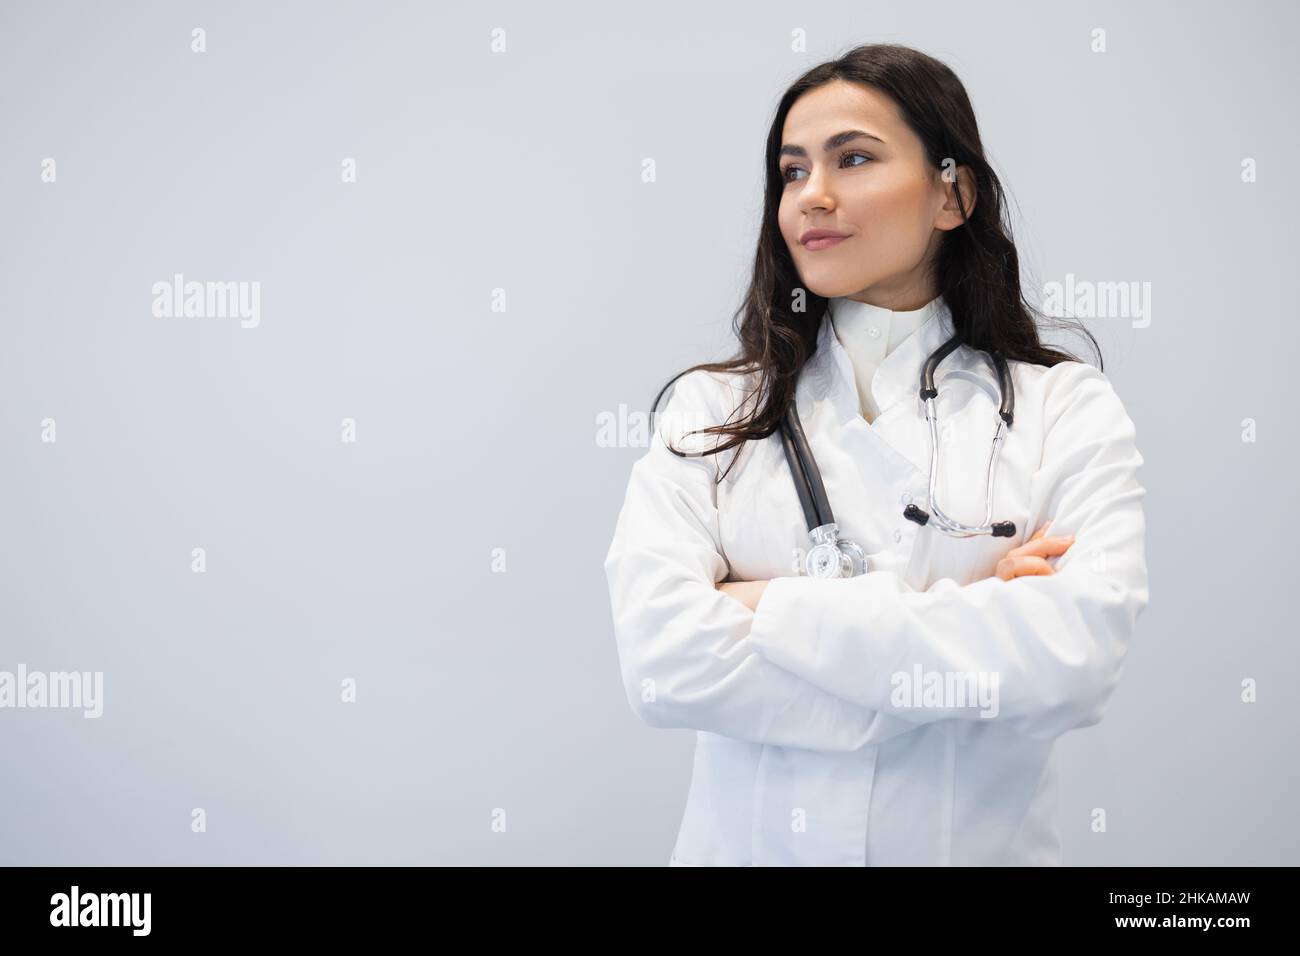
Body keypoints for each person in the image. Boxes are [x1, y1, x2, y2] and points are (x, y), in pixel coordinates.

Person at [602, 43, 1149, 866]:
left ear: (952, 193)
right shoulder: (712, 412)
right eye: (791, 172)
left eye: (852, 158)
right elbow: (661, 665)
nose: (810, 197)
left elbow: (1072, 662)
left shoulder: (1063, 408)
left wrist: (761, 606)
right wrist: (961, 623)